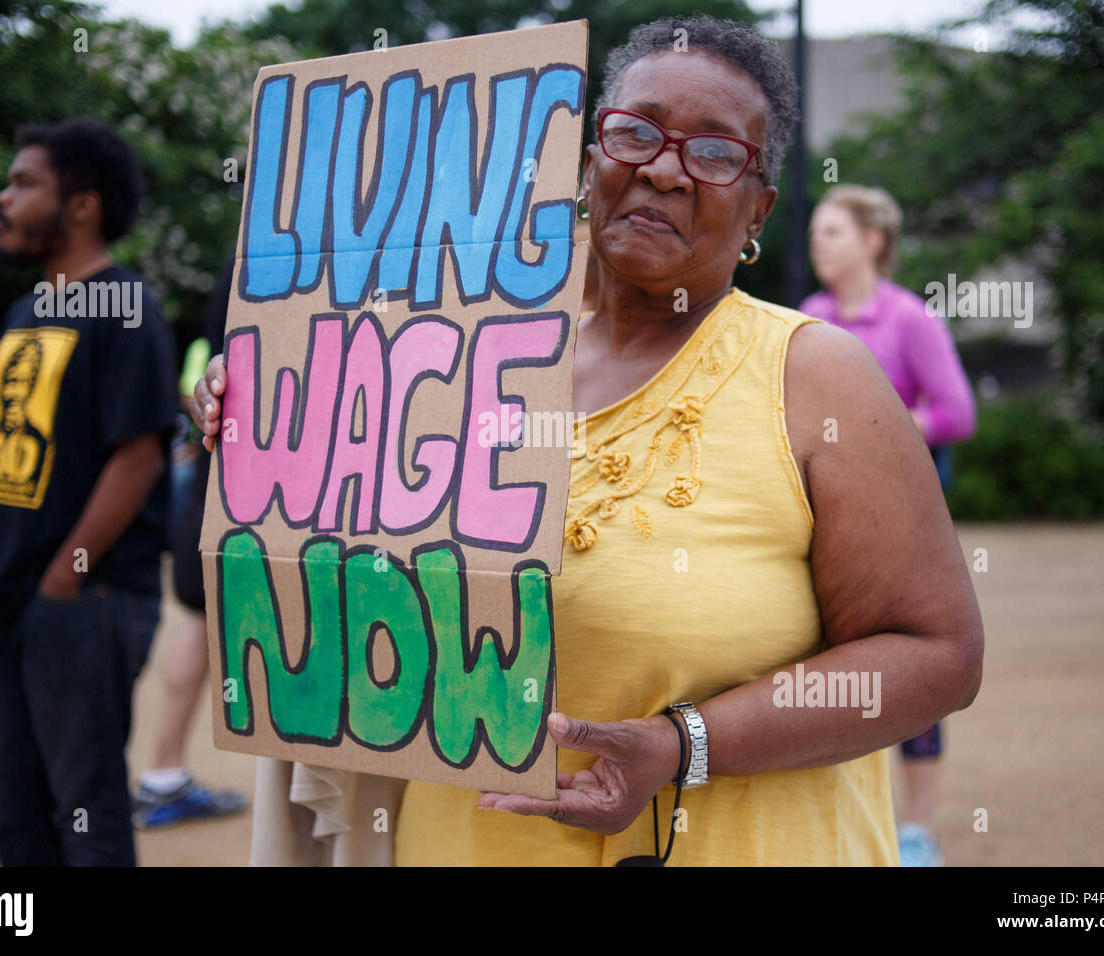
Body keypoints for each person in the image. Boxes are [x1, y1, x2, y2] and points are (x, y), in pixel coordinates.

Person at [192, 14, 984, 865]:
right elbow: (337, 588)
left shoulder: (816, 376)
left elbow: (937, 654)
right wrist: (281, 427)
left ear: (758, 208)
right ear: (588, 156)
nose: (666, 170)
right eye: (635, 131)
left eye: (717, 153)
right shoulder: (445, 350)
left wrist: (685, 746)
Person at [0, 118, 178, 866]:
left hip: (85, 602)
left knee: (85, 814)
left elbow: (139, 457)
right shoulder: (22, 312)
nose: (3, 197)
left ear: (80, 206)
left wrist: (62, 580)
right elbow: (5, 467)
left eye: (24, 183)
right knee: (9, 813)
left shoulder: (126, 308)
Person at [800, 184, 978, 867]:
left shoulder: (909, 319)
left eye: (834, 232)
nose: (820, 243)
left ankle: (917, 832)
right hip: (824, 519)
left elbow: (957, 414)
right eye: (816, 232)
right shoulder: (811, 318)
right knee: (837, 666)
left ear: (874, 242)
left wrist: (882, 438)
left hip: (902, 520)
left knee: (912, 661)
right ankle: (852, 810)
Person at [133, 262, 246, 828]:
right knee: (200, 617)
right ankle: (163, 773)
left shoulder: (241, 260)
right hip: (236, 486)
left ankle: (163, 772)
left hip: (214, 481)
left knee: (196, 618)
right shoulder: (277, 257)